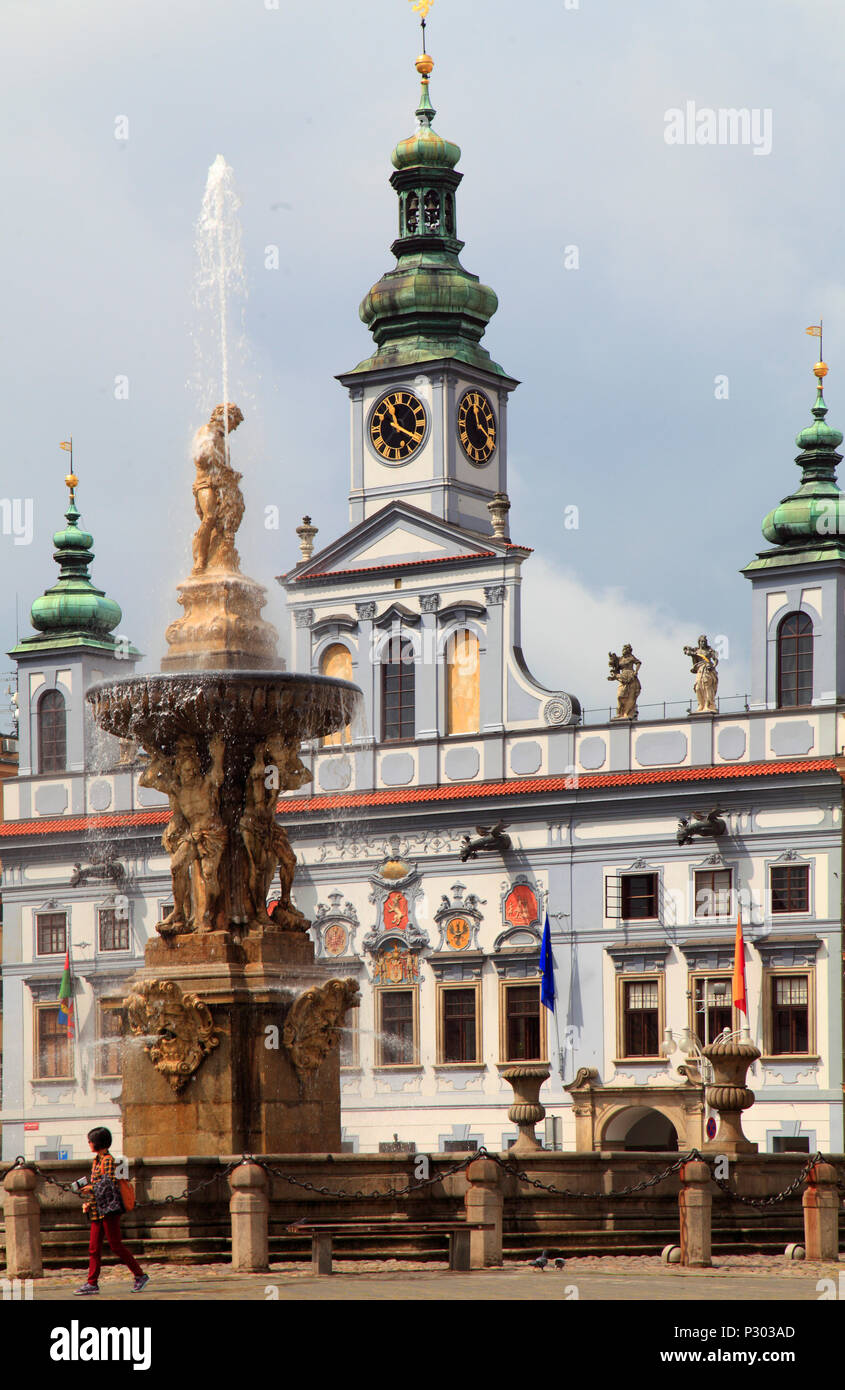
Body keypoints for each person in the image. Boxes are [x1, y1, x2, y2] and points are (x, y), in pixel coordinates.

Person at [74, 1126, 149, 1295]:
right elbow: (100, 1184)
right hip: (97, 1209)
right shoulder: (97, 1160)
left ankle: (140, 1275)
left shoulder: (108, 1160)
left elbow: (108, 1185)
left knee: (116, 1245)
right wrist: (89, 1200)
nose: (89, 1143)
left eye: (90, 1141)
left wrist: (91, 1189)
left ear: (97, 1142)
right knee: (94, 1248)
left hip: (109, 1210)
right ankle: (92, 1283)